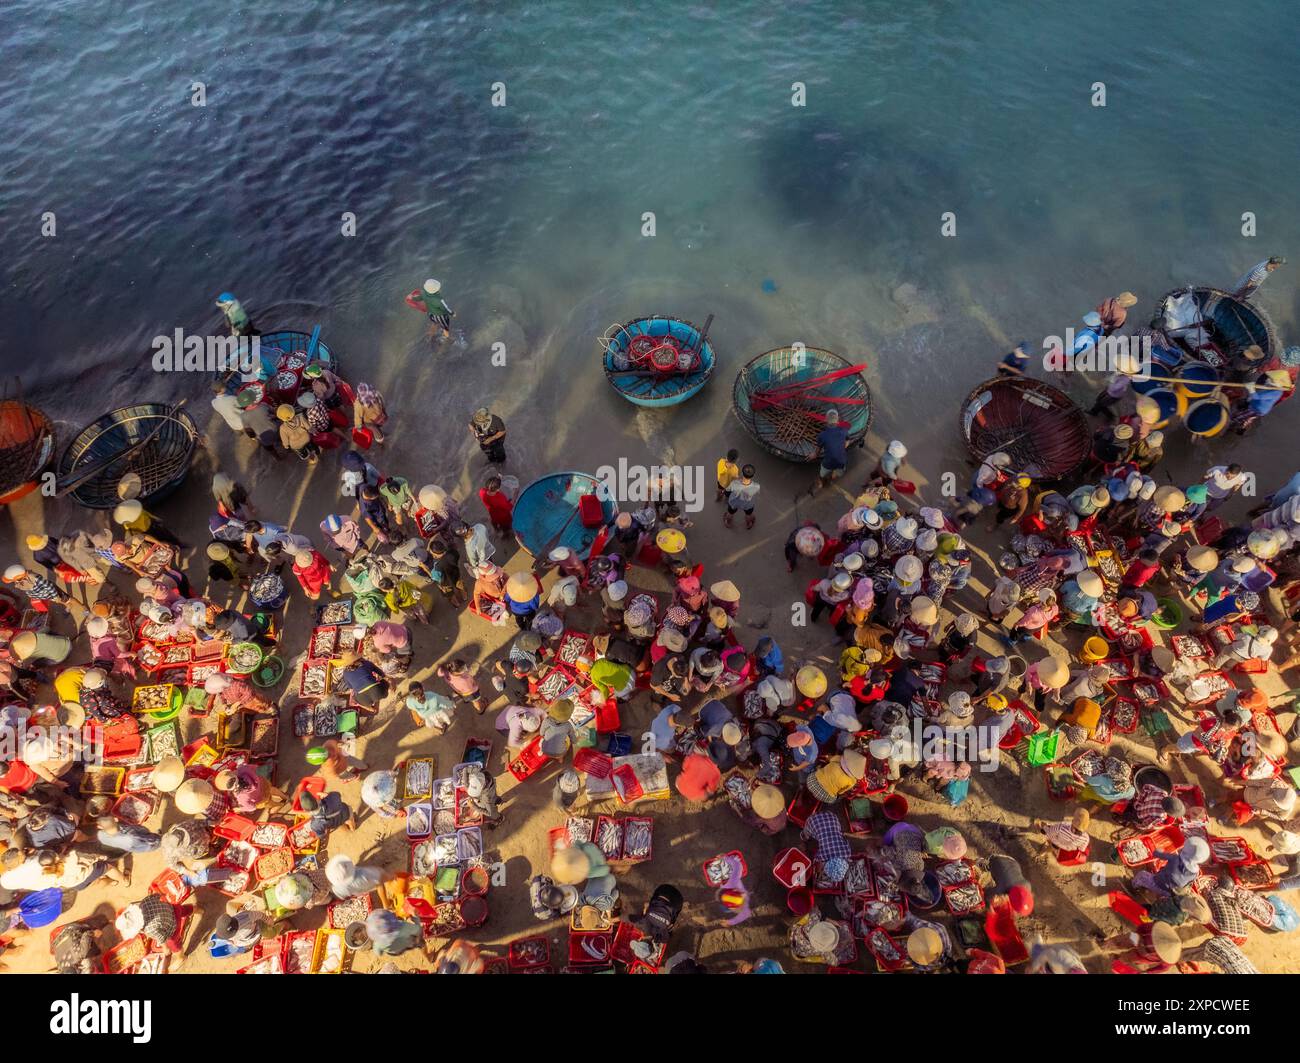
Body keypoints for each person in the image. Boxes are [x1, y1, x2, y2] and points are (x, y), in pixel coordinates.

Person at [812, 410, 851, 491]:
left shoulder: (822, 435)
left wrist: (814, 455)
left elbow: (818, 450)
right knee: (837, 472)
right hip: (841, 461)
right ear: (837, 421)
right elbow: (848, 440)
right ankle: (832, 477)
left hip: (828, 462)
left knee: (822, 474)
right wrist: (843, 447)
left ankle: (821, 482)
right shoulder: (844, 431)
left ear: (825, 420)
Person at [724, 464, 760, 530]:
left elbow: (727, 491)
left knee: (730, 513)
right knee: (748, 514)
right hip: (748, 504)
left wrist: (726, 495)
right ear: (753, 475)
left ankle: (727, 522)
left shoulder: (734, 483)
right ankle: (749, 523)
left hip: (734, 503)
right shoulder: (757, 486)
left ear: (742, 473)